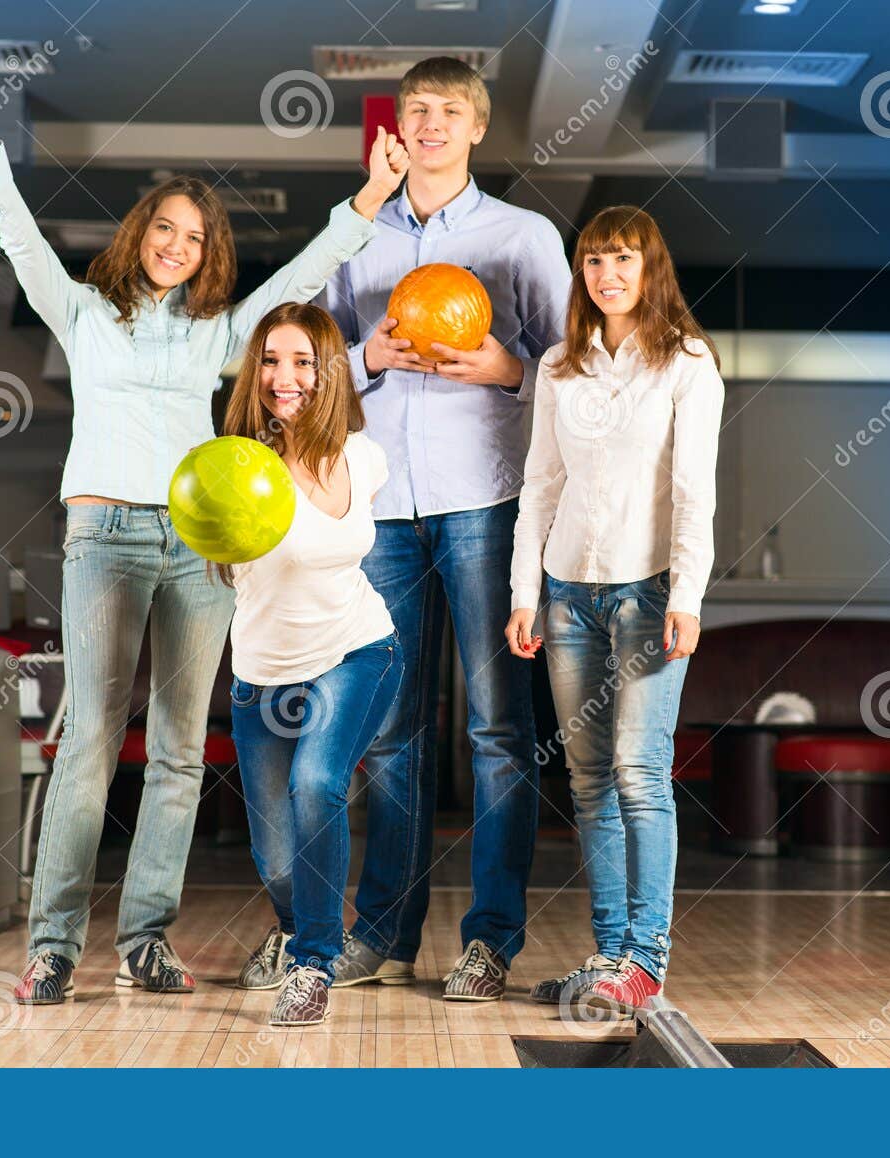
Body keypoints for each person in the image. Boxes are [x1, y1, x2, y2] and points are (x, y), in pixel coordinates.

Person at [0, 55, 408, 1006]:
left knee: (182, 751)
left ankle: (146, 937)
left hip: (200, 549)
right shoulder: (83, 315)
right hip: (103, 536)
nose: (177, 245)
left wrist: (369, 197)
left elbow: (305, 282)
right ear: (140, 235)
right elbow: (19, 237)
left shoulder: (219, 337)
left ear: (208, 252)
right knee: (90, 744)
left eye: (195, 237)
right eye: (165, 229)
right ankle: (55, 946)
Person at [317, 56, 571, 1002]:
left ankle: (491, 938)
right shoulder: (355, 239)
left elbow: (571, 377)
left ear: (476, 129)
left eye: (449, 111)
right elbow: (312, 372)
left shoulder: (524, 236)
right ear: (396, 129)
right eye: (416, 109)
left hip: (487, 505)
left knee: (499, 727)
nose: (430, 123)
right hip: (379, 511)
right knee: (388, 731)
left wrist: (509, 372)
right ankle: (382, 934)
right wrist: (368, 357)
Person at [506, 205, 724, 1016]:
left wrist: (689, 598)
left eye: (623, 259)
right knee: (589, 778)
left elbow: (695, 493)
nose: (607, 275)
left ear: (650, 267)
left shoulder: (689, 364)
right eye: (594, 261)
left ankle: (648, 961)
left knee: (639, 771)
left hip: (649, 593)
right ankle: (608, 957)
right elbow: (540, 487)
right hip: (566, 594)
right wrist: (526, 594)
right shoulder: (561, 364)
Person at [221, 303, 403, 1026]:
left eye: (302, 361)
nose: (283, 377)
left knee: (318, 782)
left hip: (358, 648)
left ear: (329, 369)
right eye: (270, 360)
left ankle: (313, 966)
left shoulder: (364, 456)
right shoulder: (237, 464)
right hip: (263, 674)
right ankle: (302, 927)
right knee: (277, 859)